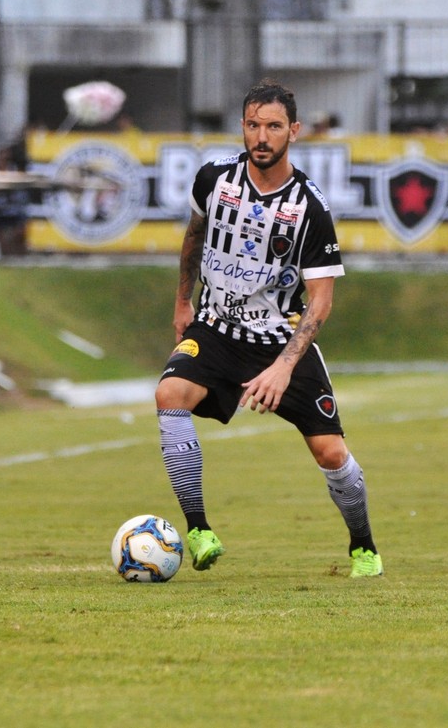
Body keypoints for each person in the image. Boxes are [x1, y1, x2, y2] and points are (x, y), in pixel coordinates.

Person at [154, 80, 382, 578]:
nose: (262, 136)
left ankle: (363, 544)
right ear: (242, 126)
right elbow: (194, 238)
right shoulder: (212, 180)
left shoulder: (311, 208)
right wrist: (182, 300)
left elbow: (320, 303)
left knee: (331, 451)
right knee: (170, 393)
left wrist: (282, 368)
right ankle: (198, 530)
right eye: (253, 125)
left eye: (273, 126)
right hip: (215, 329)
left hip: (280, 341)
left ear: (293, 132)